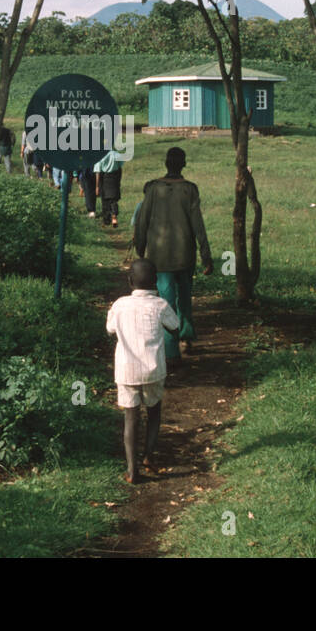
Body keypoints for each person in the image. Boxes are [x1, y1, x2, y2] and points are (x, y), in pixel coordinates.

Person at [133, 147, 213, 366]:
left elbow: (142, 221)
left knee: (165, 301)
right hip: (185, 254)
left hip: (159, 258)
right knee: (184, 297)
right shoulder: (190, 190)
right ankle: (186, 338)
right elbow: (199, 225)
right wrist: (206, 255)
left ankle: (170, 349)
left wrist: (140, 248)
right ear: (183, 164)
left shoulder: (152, 189)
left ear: (165, 163)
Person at [107, 258, 179, 484]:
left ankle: (131, 470)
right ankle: (148, 456)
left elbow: (110, 330)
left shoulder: (119, 305)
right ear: (156, 282)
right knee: (154, 412)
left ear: (129, 281)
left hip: (126, 370)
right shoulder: (160, 305)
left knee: (131, 418)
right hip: (153, 370)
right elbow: (175, 327)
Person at [94, 149, 125, 227]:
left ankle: (106, 220)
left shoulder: (100, 156)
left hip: (104, 178)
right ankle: (114, 215)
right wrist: (119, 180)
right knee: (114, 199)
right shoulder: (116, 154)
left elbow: (98, 172)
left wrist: (97, 186)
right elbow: (120, 167)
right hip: (115, 177)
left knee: (105, 200)